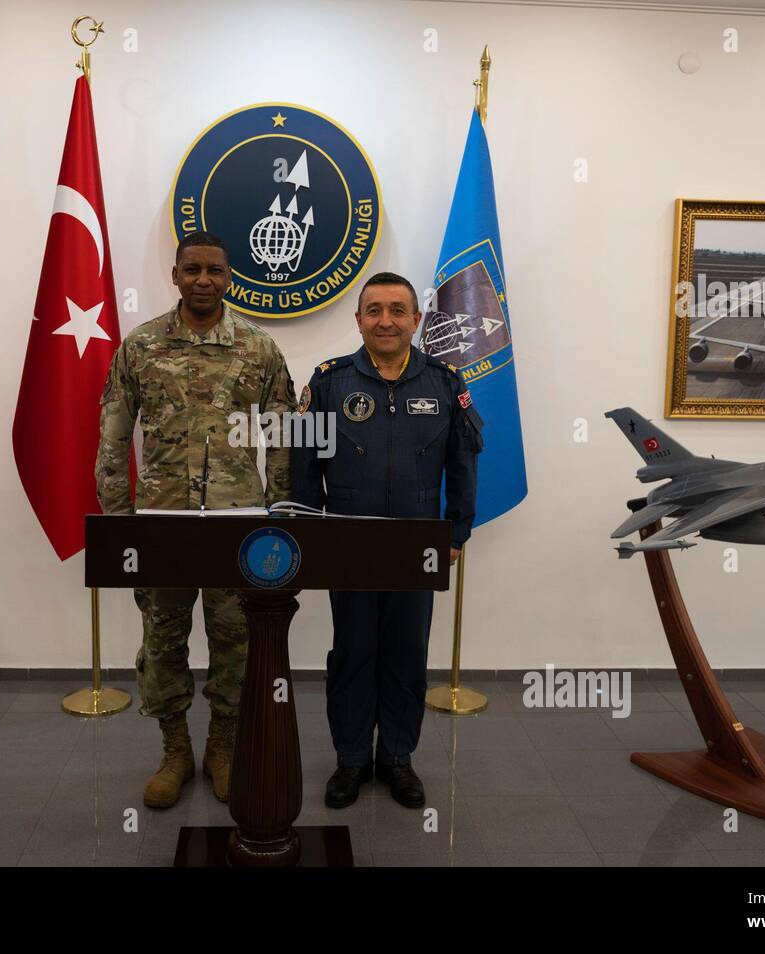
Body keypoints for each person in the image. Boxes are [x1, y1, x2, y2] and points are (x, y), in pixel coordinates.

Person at [95, 231, 296, 808]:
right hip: (162, 522)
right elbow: (112, 441)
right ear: (175, 274)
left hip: (239, 523)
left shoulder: (257, 348)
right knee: (163, 638)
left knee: (235, 641)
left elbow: (282, 439)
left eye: (214, 270)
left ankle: (224, 748)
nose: (204, 279)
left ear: (229, 277)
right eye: (193, 269)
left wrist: (280, 519)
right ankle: (175, 749)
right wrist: (118, 524)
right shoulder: (141, 346)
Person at [290, 271, 483, 809]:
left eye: (398, 310)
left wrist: (457, 530)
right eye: (374, 310)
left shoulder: (445, 382)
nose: (386, 321)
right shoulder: (328, 382)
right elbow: (303, 465)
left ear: (416, 320)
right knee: (353, 652)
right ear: (358, 320)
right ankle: (351, 760)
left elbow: (462, 462)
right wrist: (311, 530)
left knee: (405, 654)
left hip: (418, 547)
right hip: (348, 543)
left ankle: (397, 758)